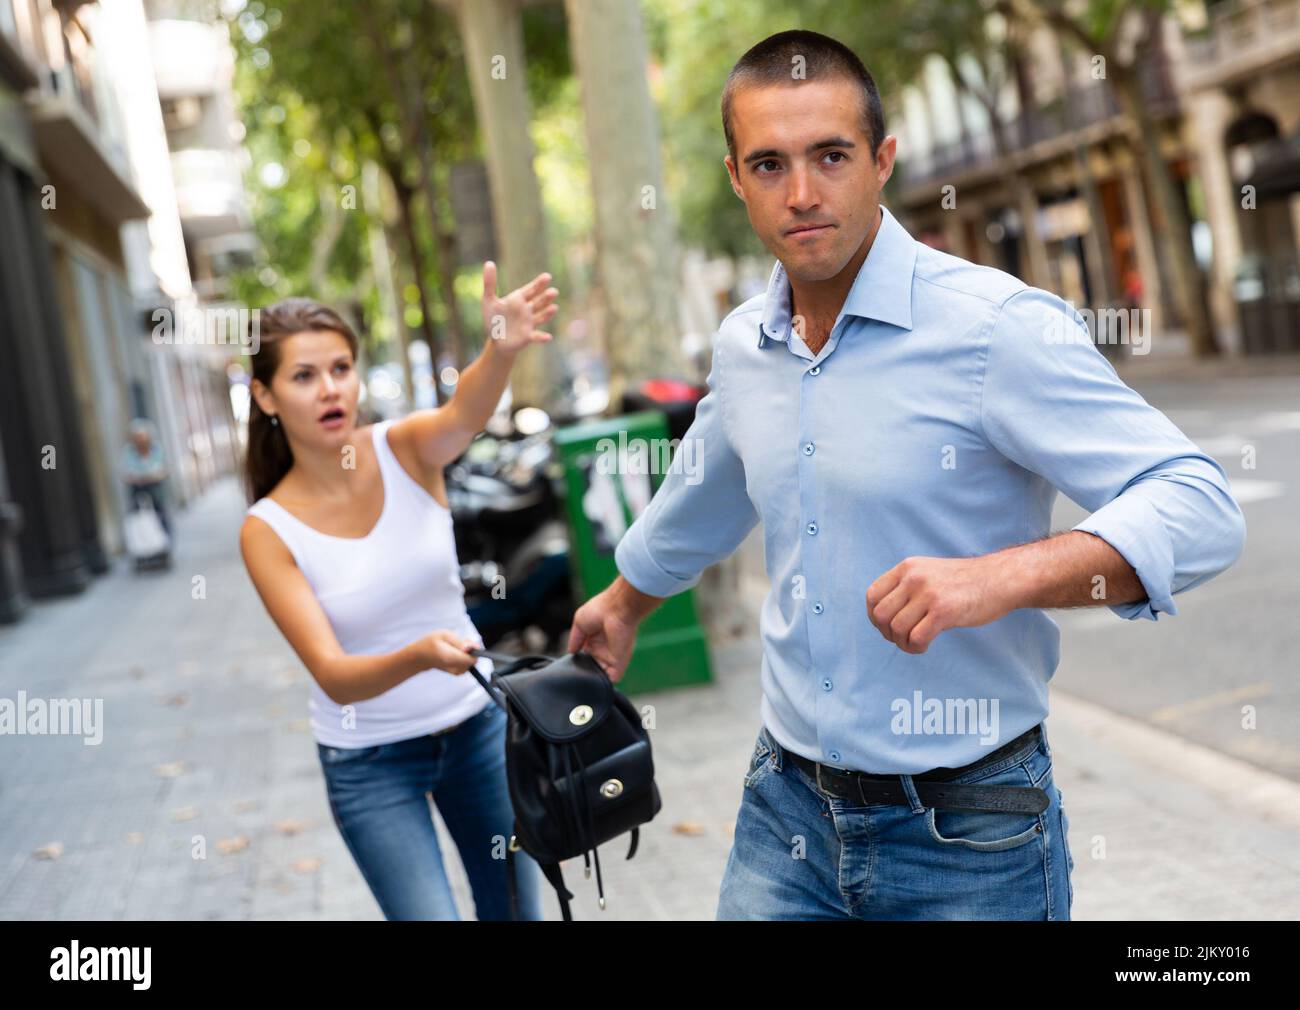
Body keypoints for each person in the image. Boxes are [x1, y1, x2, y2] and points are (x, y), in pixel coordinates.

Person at [569, 30, 1247, 921]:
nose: (802, 194)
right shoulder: (745, 348)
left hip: (972, 835)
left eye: (832, 156)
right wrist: (621, 605)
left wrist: (998, 578)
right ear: (736, 178)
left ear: (882, 161)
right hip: (787, 815)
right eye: (769, 164)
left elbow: (1201, 506)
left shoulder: (995, 328)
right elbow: (708, 487)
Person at [239, 263, 558, 920]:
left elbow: (465, 412)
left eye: (340, 368)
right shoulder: (266, 529)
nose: (330, 389)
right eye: (304, 376)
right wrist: (421, 654)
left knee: (516, 911)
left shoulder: (404, 449)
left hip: (474, 727)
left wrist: (499, 350)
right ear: (266, 397)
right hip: (370, 762)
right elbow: (335, 676)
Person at [121, 419, 172, 539]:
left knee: (161, 516)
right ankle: (141, 546)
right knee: (137, 518)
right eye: (137, 437)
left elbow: (166, 469)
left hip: (155, 488)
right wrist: (136, 478)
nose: (140, 439)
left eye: (142, 436)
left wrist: (152, 476)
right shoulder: (129, 451)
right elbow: (124, 473)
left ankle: (165, 542)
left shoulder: (157, 449)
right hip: (137, 490)